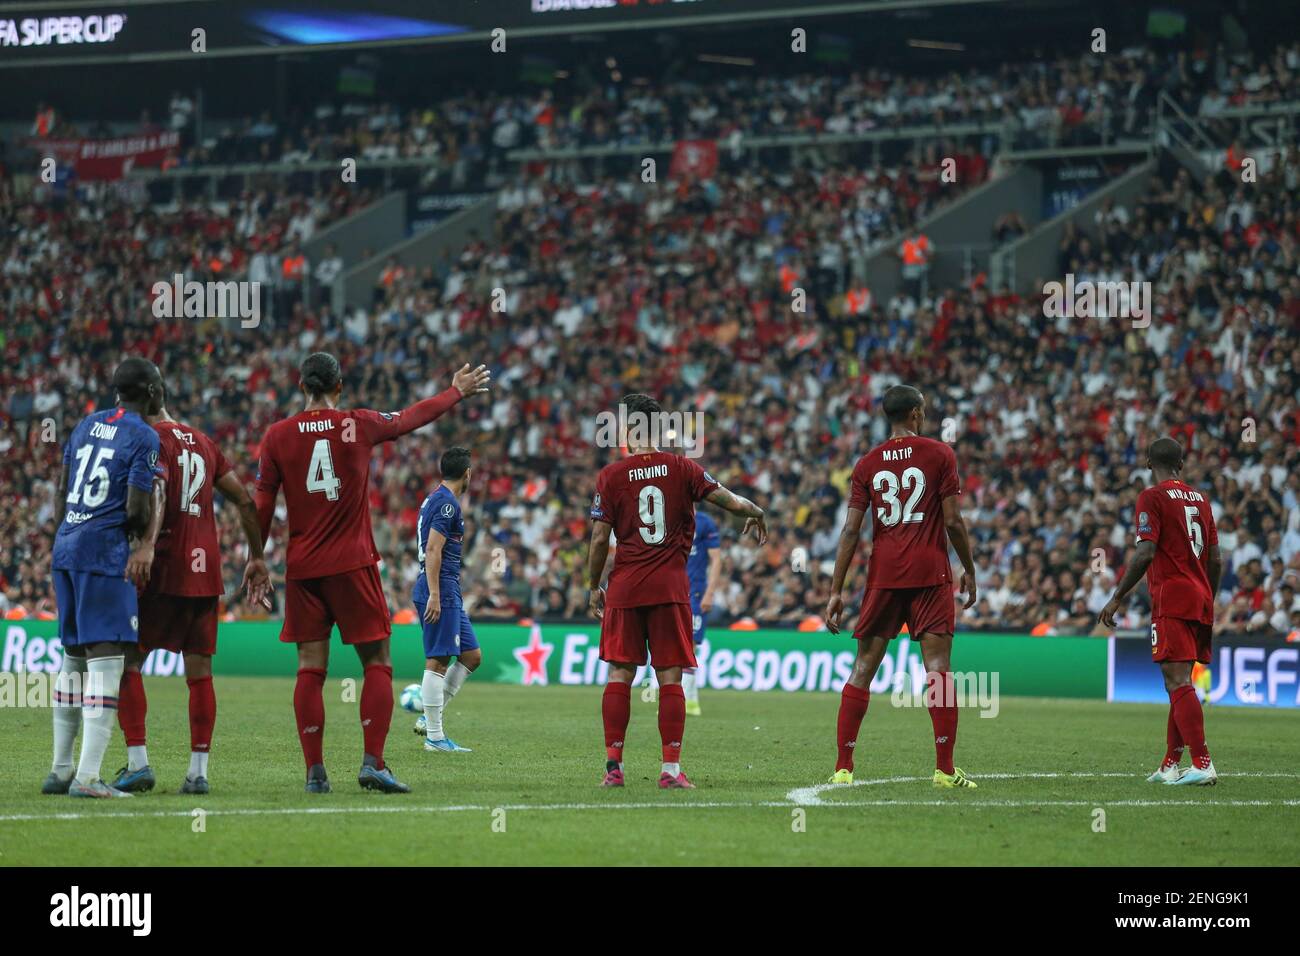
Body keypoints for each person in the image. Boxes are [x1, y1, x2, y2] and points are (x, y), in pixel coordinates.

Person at [253, 352, 490, 793]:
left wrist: (256, 557)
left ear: (302, 387)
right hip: (352, 562)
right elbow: (411, 418)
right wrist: (456, 391)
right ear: (339, 387)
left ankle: (315, 774)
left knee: (310, 668)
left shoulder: (277, 435)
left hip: (302, 568)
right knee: (377, 662)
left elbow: (261, 503)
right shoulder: (357, 424)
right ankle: (373, 763)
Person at [586, 393, 767, 789]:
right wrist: (756, 510)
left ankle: (613, 768)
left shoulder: (611, 476)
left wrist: (591, 585)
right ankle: (670, 771)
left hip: (625, 588)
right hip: (669, 588)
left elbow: (600, 539)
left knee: (620, 673)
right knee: (670, 678)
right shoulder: (683, 468)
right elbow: (731, 502)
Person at [112, 388, 271, 794]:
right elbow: (244, 501)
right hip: (204, 574)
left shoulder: (152, 441)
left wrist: (145, 544)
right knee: (200, 676)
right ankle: (198, 773)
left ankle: (137, 764)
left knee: (126, 662)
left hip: (162, 567)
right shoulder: (203, 441)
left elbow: (159, 492)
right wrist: (257, 557)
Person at [823, 385, 979, 789]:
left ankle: (843, 768)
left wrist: (836, 590)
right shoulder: (940, 454)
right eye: (922, 411)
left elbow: (850, 531)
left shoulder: (867, 463)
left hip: (884, 576)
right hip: (930, 573)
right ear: (914, 414)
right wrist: (969, 567)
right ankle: (944, 769)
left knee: (862, 668)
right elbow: (952, 521)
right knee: (939, 670)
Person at [44, 357, 162, 798]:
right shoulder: (144, 436)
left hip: (67, 548)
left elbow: (61, 488)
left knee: (72, 660)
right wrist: (137, 537)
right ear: (150, 391)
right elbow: (135, 508)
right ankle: (89, 778)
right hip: (103, 555)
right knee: (108, 663)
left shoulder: (85, 425)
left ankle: (59, 770)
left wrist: (65, 537)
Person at [1100, 437, 1221, 785]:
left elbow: (1145, 552)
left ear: (1150, 465)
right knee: (1179, 680)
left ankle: (1202, 763)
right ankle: (1170, 764)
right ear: (1181, 465)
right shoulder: (1202, 500)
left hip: (1172, 596)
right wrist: (1207, 594)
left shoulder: (1150, 497)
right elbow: (1216, 558)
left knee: (1177, 681)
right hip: (1200, 597)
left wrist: (1117, 597)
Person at [412, 446, 480, 752]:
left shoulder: (436, 498)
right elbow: (433, 550)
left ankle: (430, 720)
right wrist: (436, 595)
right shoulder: (447, 504)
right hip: (438, 588)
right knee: (438, 660)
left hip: (445, 588)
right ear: (466, 473)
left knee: (471, 655)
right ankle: (435, 737)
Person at [684, 505, 721, 716]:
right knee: (672, 646)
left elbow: (716, 559)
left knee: (691, 644)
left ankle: (687, 702)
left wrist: (710, 592)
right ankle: (688, 701)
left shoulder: (705, 522)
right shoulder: (669, 517)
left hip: (696, 592)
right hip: (672, 590)